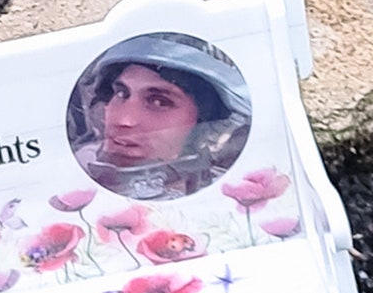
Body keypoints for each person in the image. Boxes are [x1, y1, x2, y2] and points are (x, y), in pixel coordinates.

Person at [69, 34, 251, 200]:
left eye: (159, 102)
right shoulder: (68, 174)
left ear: (204, 121)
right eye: (121, 94)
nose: (124, 120)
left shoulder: (232, 193)